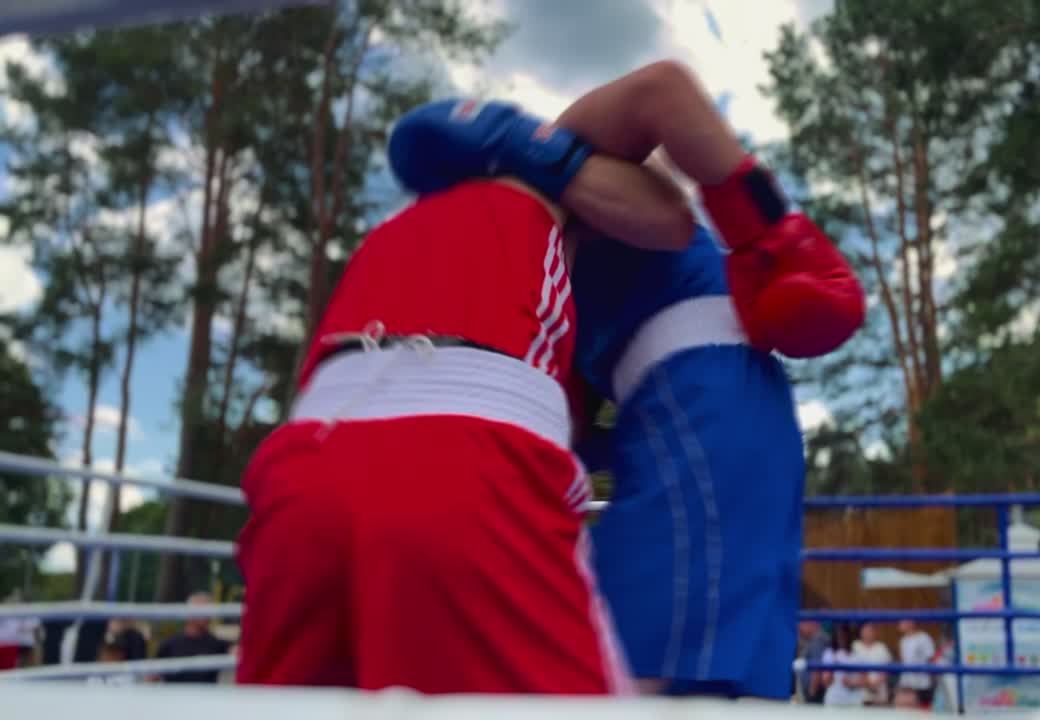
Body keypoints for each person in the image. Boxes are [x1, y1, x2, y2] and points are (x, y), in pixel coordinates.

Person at [394, 60, 863, 701]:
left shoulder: (544, 158)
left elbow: (664, 98)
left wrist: (768, 233)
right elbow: (568, 435)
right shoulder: (519, 289)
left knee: (617, 669)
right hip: (698, 418)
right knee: (705, 686)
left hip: (704, 406)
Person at [236, 83, 701, 693]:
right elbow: (669, 214)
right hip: (464, 465)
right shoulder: (542, 188)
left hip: (303, 467)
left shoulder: (404, 230)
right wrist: (761, 213)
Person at [153, 593, 231, 684]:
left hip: (206, 697)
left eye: (210, 610)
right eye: (202, 611)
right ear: (189, 612)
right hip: (174, 697)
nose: (208, 615)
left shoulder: (218, 644)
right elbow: (152, 678)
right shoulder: (169, 644)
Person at [819, 623, 863, 706]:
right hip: (834, 700)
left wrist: (852, 683)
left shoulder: (857, 654)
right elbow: (825, 682)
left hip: (853, 701)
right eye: (839, 635)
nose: (841, 638)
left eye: (843, 635)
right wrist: (832, 669)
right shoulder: (829, 654)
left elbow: (865, 680)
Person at [897, 619, 937, 708]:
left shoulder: (924, 638)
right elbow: (904, 661)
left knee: (922, 712)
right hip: (907, 682)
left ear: (911, 623)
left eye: (902, 621)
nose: (900, 624)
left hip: (922, 683)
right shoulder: (903, 640)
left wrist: (933, 679)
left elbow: (931, 659)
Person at [851, 622, 892, 706]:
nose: (868, 633)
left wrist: (875, 684)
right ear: (861, 632)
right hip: (859, 695)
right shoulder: (854, 646)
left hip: (879, 695)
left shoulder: (882, 647)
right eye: (865, 630)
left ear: (875, 632)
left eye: (870, 630)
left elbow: (887, 669)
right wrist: (867, 684)